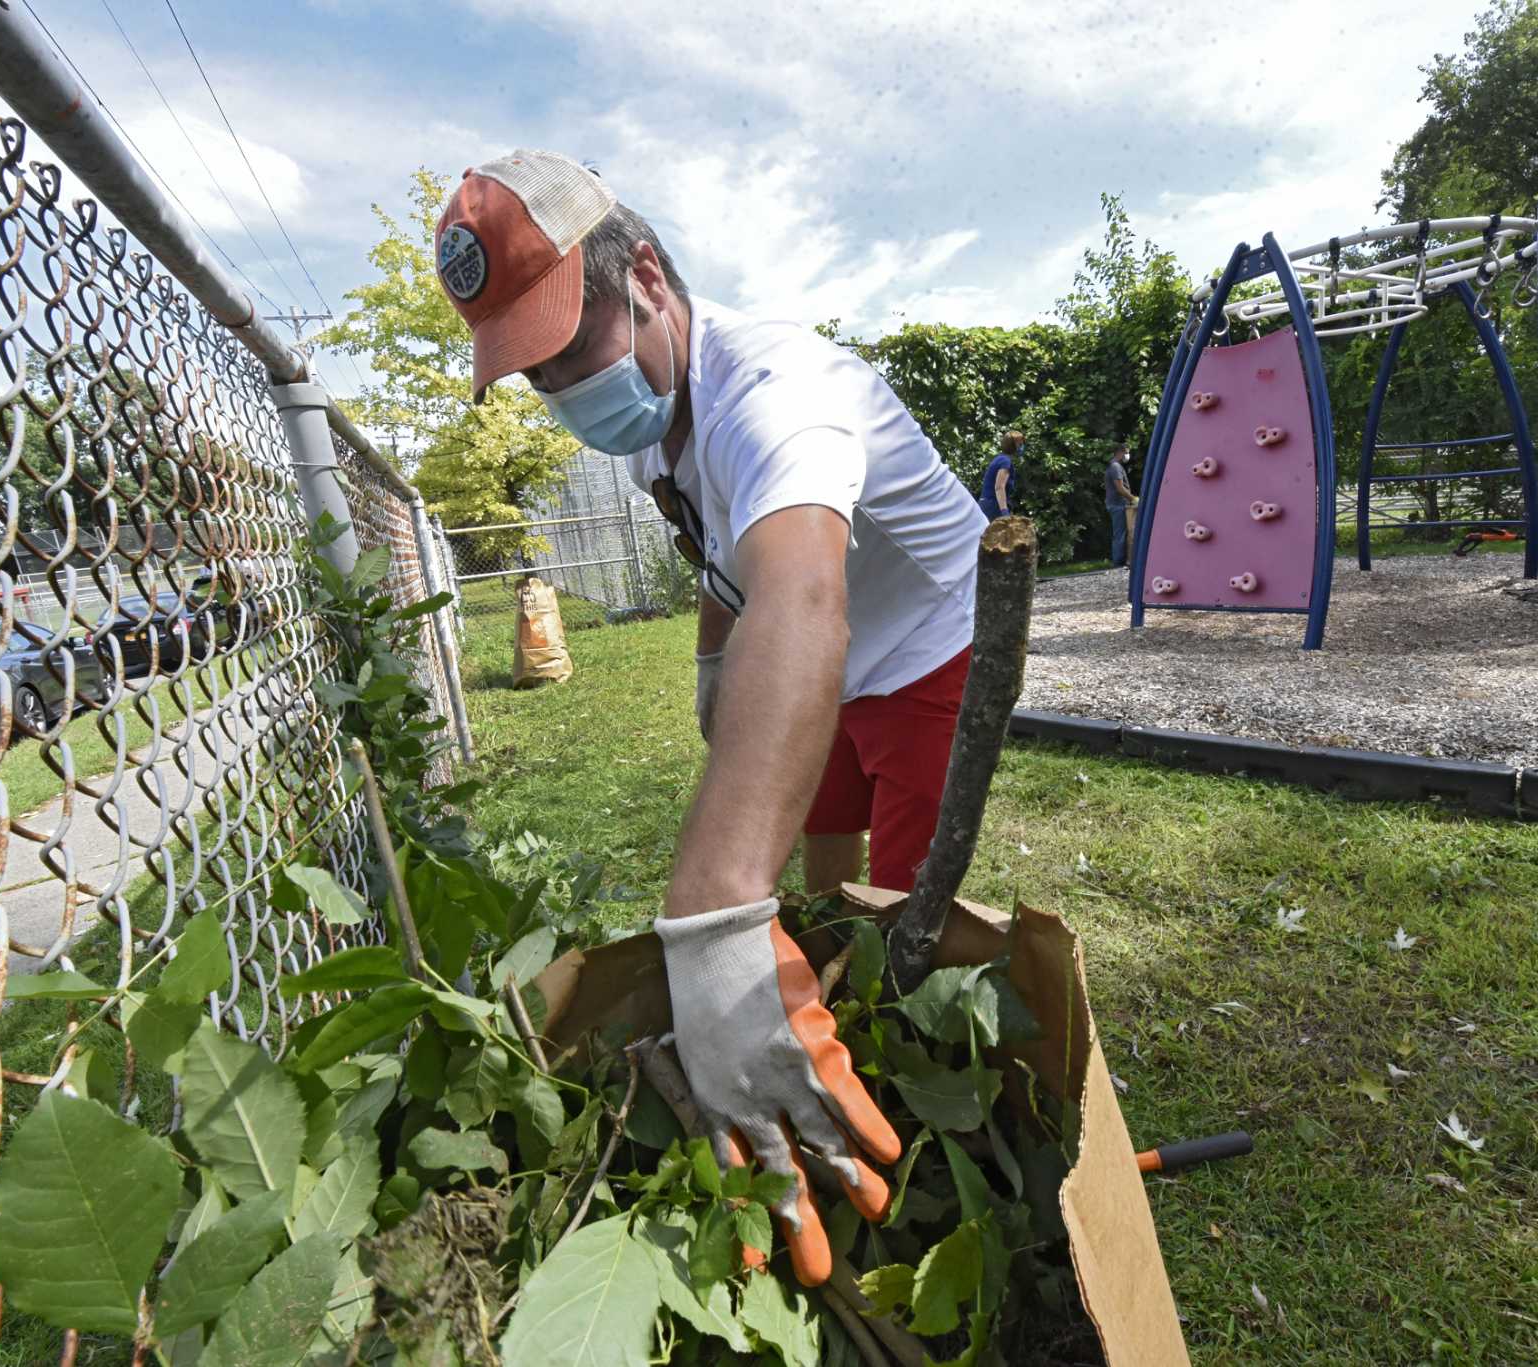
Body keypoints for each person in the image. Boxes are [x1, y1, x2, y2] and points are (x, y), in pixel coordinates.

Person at [433, 149, 988, 1286]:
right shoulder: (654, 427)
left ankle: (929, 1092)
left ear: (643, 274)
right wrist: (708, 666)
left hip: (924, 639)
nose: (560, 394)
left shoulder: (776, 390)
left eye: (566, 351)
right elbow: (725, 562)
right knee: (826, 886)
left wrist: (712, 920)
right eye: (531, 373)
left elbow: (799, 590)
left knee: (914, 905)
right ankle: (832, 1039)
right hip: (814, 658)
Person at [977, 430, 1021, 520]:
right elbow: (999, 487)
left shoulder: (999, 458)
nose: (1021, 447)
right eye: (1020, 445)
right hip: (993, 507)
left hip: (985, 504)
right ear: (1013, 446)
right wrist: (1004, 512)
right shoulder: (1005, 462)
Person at [1106, 441, 1137, 565]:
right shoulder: (1115, 467)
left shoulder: (1114, 466)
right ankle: (1118, 563)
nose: (1128, 456)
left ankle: (1121, 561)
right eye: (1127, 453)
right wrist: (1133, 499)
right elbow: (1120, 488)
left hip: (1117, 504)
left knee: (1122, 533)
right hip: (1117, 505)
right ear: (1120, 452)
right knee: (1120, 534)